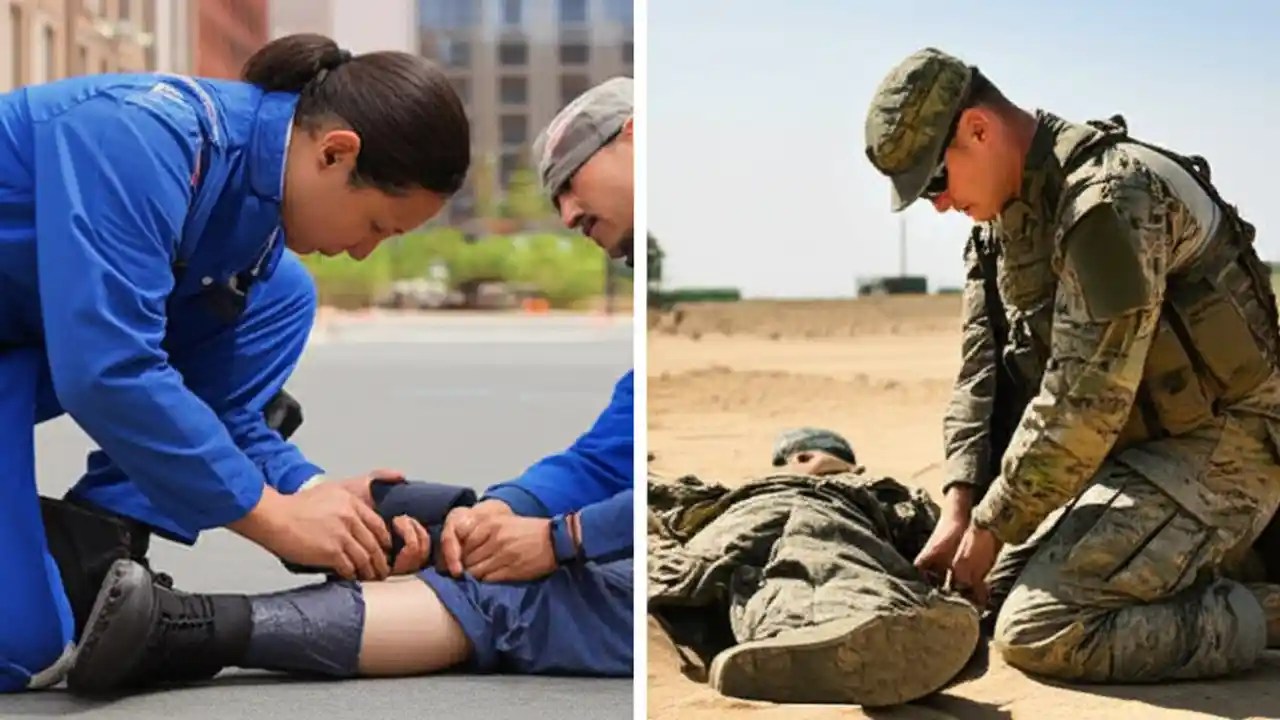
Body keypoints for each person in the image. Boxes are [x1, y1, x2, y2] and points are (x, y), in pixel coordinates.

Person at [62, 76, 637, 696]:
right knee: (24, 641)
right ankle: (99, 558)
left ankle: (179, 622)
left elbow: (689, 490)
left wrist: (560, 538)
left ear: (634, 136)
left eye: (570, 182)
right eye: (377, 225)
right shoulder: (151, 145)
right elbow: (609, 457)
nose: (568, 215)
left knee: (529, 598)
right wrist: (504, 513)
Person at [0, 33, 471, 692]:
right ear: (335, 153)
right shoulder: (139, 137)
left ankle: (90, 541)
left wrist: (311, 493)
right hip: (49, 347)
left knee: (280, 297)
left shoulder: (256, 224)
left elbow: (213, 408)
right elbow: (110, 368)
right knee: (24, 651)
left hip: (19, 345)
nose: (365, 252)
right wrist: (275, 521)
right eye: (376, 226)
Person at [864, 47, 1280, 683]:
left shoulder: (1113, 200)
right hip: (1134, 459)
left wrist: (993, 525)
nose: (939, 204)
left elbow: (1086, 398)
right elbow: (980, 381)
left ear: (978, 129)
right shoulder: (997, 231)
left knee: (1042, 628)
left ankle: (1263, 612)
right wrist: (961, 508)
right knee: (995, 593)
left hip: (1228, 444)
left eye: (935, 181)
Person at [649, 428, 979, 707]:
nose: (792, 464)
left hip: (777, 525)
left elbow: (932, 541)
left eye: (806, 455)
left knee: (806, 563)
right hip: (760, 524)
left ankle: (817, 643)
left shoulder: (868, 490)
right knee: (813, 567)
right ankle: (810, 645)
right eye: (786, 461)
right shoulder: (732, 495)